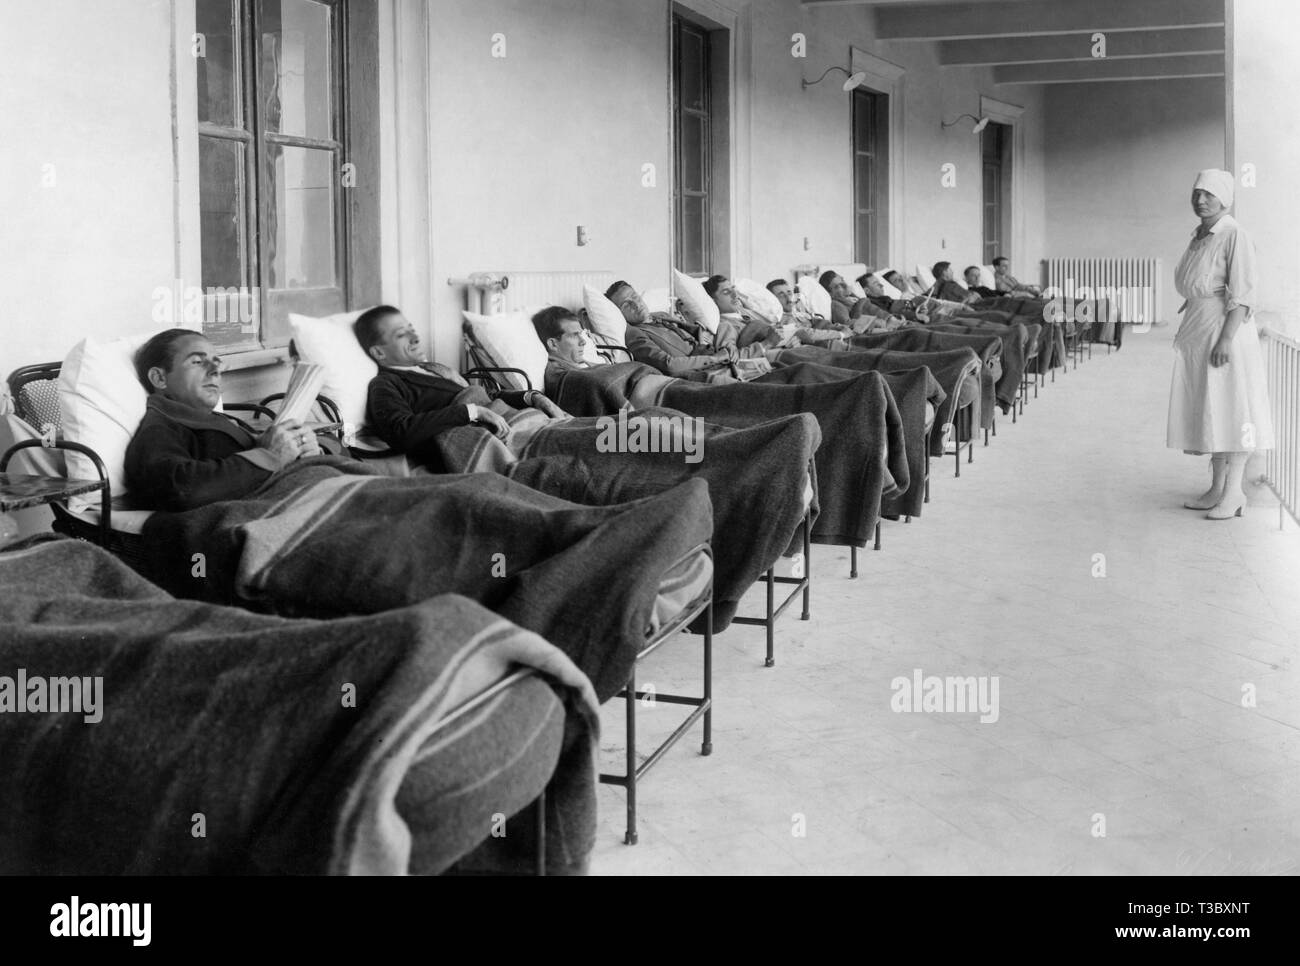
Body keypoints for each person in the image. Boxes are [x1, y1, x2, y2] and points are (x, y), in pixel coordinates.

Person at [1167, 168, 1274, 520]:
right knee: (1213, 408)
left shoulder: (1233, 234)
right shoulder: (1201, 234)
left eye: (1209, 194)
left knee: (1233, 408)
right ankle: (1216, 488)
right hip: (1200, 327)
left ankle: (1234, 493)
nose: (1200, 200)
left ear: (1225, 198)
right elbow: (1197, 281)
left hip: (1224, 332)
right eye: (1197, 192)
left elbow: (1243, 294)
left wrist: (1226, 338)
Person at [124, 329, 321, 511]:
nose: (215, 371)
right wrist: (269, 456)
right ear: (159, 378)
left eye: (216, 362)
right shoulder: (161, 429)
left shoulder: (221, 421)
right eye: (197, 362)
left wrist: (307, 450)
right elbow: (181, 489)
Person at [357, 305, 567, 471]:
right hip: (501, 435)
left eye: (412, 329)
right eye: (401, 334)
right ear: (379, 353)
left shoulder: (432, 369)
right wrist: (472, 411)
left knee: (588, 432)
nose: (416, 337)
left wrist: (533, 398)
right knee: (582, 450)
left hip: (515, 417)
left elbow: (489, 395)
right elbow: (401, 431)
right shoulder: (386, 383)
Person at [607, 280, 746, 382]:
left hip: (713, 351)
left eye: (635, 297)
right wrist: (715, 358)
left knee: (726, 326)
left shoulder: (660, 315)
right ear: (618, 313)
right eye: (626, 305)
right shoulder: (633, 333)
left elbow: (692, 330)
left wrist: (724, 346)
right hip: (702, 370)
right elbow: (669, 365)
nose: (636, 304)